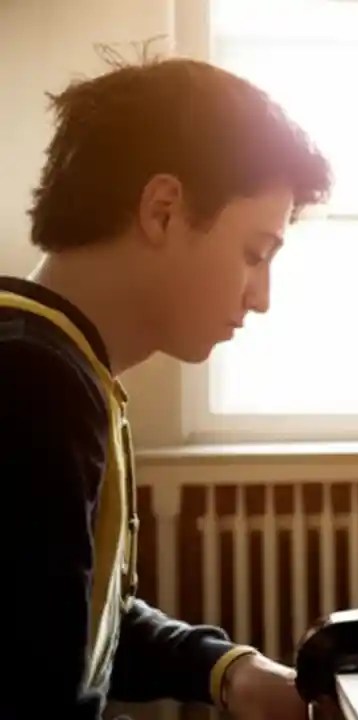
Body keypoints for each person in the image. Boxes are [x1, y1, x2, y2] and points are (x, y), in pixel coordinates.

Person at [0, 55, 331, 718]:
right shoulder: (34, 387)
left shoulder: (59, 366)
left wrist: (227, 670)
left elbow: (71, 627)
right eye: (254, 253)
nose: (260, 297)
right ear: (163, 209)